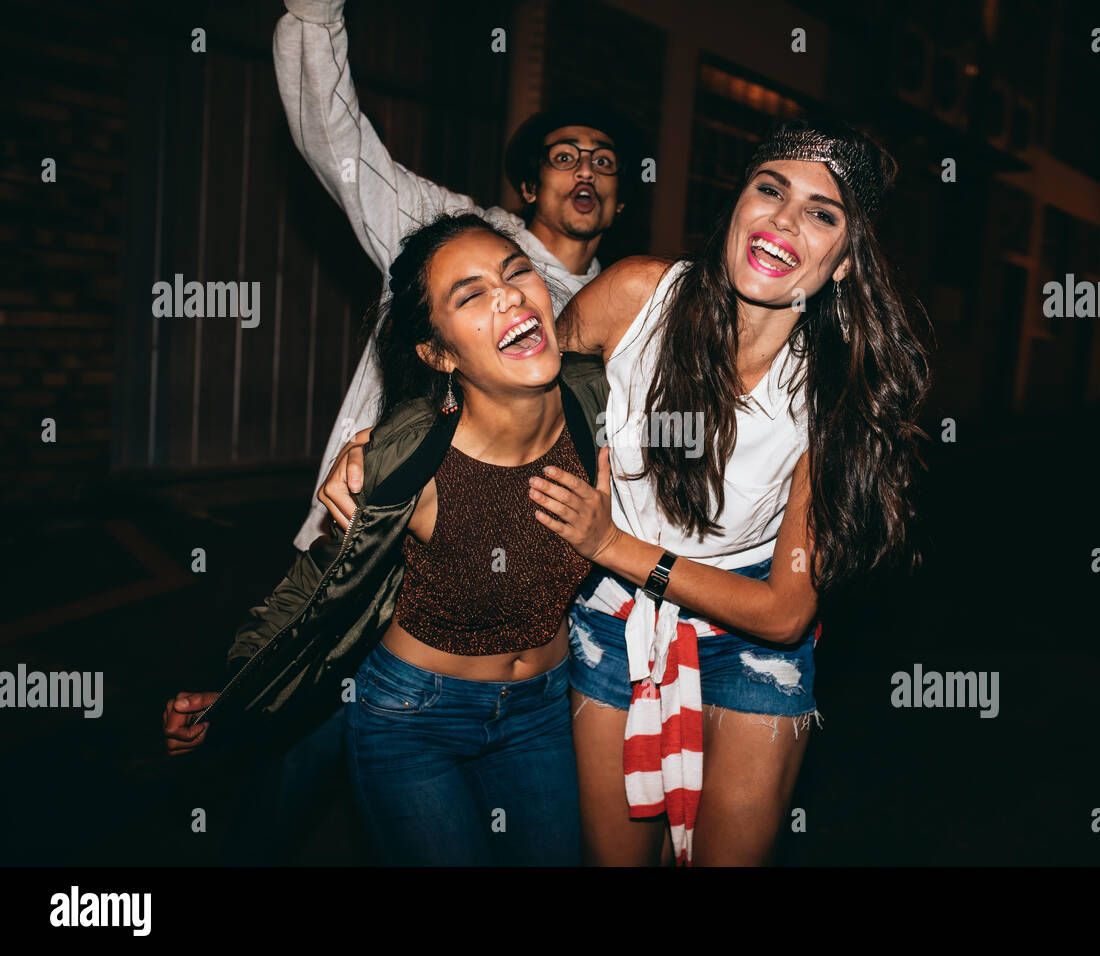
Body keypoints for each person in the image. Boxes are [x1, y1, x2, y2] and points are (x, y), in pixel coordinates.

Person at [319, 116, 932, 866]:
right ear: (737, 204)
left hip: (748, 638)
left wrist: (612, 543)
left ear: (842, 262)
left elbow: (784, 612)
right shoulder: (638, 294)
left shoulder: (834, 391)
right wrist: (386, 447)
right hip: (612, 620)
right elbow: (515, 389)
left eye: (821, 213)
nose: (783, 220)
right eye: (769, 191)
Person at [163, 213, 611, 865]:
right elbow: (315, 592)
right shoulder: (409, 458)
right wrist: (237, 694)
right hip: (414, 720)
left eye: (516, 273)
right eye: (471, 293)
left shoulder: (599, 402)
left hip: (542, 713)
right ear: (438, 353)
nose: (509, 294)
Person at [273, 0, 636, 552]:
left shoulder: (630, 310)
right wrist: (315, 17)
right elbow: (340, 149)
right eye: (564, 157)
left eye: (604, 162)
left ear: (620, 202)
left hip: (506, 567)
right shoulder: (456, 236)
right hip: (372, 528)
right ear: (530, 187)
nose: (587, 169)